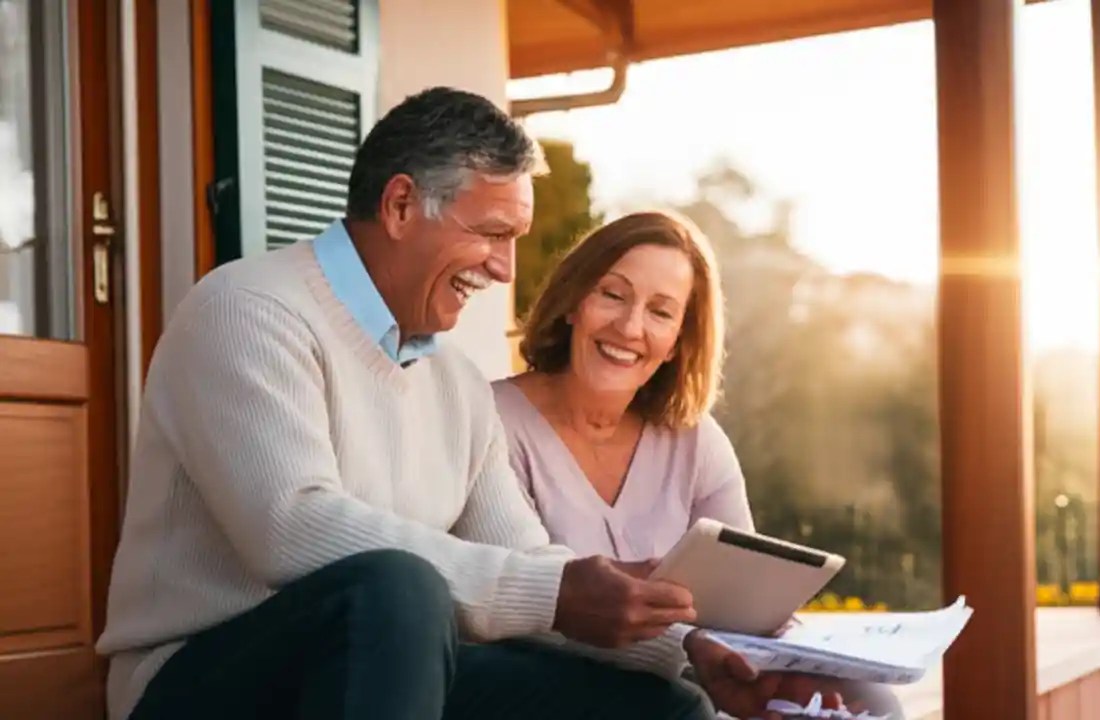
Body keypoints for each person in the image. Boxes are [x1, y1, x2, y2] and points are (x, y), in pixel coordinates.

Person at [95, 88, 778, 720]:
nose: (506, 268)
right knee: (398, 588)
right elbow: (292, 528)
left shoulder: (453, 382)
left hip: (384, 672)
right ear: (399, 207)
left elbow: (529, 560)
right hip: (192, 684)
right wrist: (557, 593)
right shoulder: (247, 311)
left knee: (662, 707)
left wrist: (689, 650)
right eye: (492, 233)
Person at [495, 211, 904, 720]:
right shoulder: (495, 421)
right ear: (575, 301)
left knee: (871, 698)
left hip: (703, 671)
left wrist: (786, 657)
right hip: (567, 681)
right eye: (613, 295)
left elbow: (751, 606)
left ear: (677, 344)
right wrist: (696, 650)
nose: (630, 327)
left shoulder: (694, 438)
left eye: (661, 312)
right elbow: (526, 599)